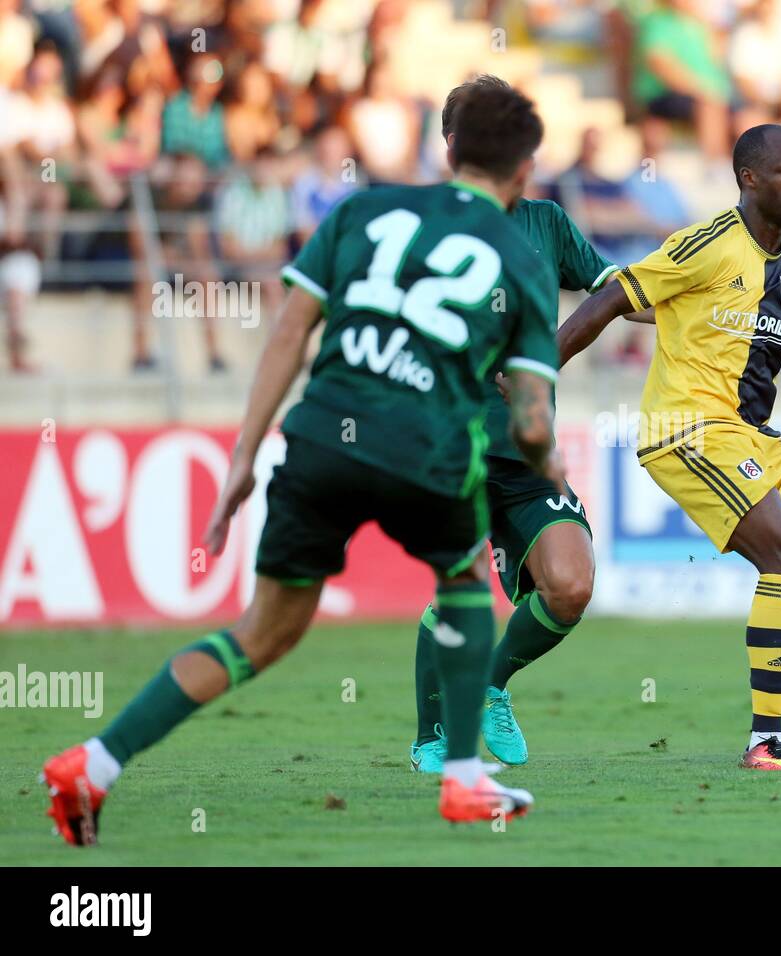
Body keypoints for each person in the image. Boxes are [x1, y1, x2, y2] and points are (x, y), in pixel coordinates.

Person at [40, 83, 563, 841]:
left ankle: (94, 763)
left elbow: (288, 332)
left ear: (449, 153)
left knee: (261, 633)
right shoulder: (521, 257)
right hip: (427, 446)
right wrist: (545, 465)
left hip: (322, 437)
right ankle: (460, 776)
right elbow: (533, 416)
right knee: (463, 582)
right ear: (523, 173)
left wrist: (244, 457)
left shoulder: (361, 211)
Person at [558, 124, 781, 770]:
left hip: (748, 437)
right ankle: (764, 741)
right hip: (683, 430)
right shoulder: (707, 244)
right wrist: (534, 373)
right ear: (749, 179)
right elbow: (610, 298)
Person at [408, 75, 621, 775]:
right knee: (456, 588)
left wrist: (694, 288)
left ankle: (492, 686)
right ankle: (434, 739)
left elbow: (616, 291)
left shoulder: (547, 223)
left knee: (571, 584)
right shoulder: (424, 228)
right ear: (452, 145)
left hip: (529, 453)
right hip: (451, 442)